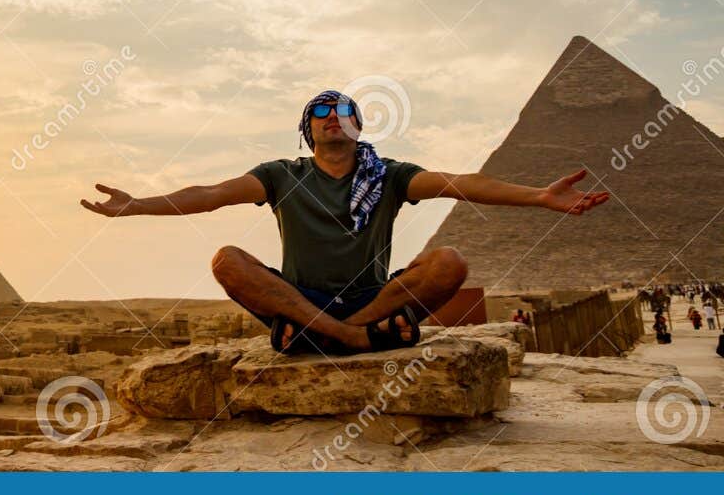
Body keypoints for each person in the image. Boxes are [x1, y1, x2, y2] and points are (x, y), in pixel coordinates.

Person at [80, 89, 610, 356]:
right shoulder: (280, 175)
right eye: (321, 111)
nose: (333, 116)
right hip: (300, 297)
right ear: (307, 129)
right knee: (226, 260)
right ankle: (357, 341)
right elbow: (212, 195)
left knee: (450, 261)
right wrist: (139, 205)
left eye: (345, 110)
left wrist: (540, 197)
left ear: (358, 125)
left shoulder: (390, 175)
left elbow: (464, 183)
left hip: (371, 298)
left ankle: (327, 338)